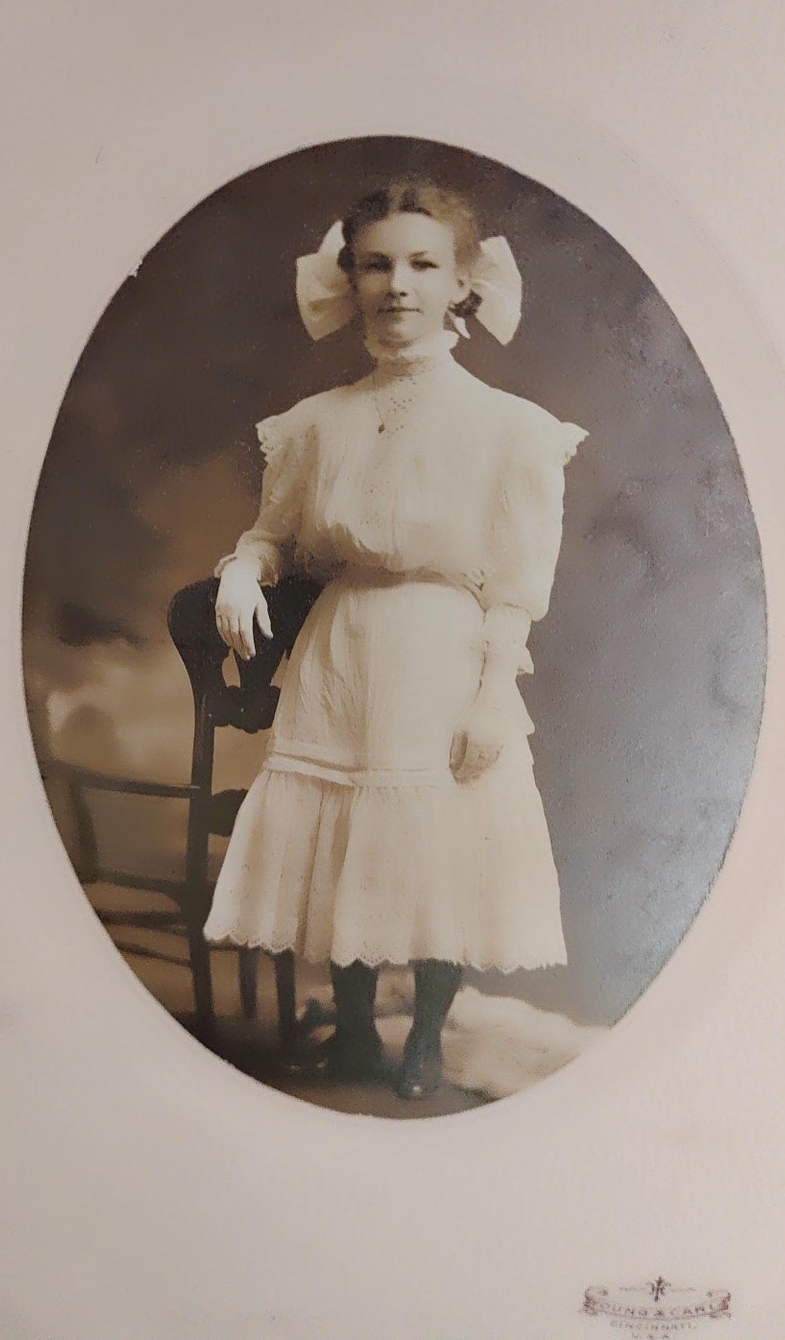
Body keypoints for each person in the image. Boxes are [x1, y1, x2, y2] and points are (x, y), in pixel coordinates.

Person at [205, 180, 586, 1101]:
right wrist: (241, 568)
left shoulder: (510, 430)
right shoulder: (315, 425)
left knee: (436, 845)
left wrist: (496, 689)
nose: (397, 286)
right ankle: (353, 1043)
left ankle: (423, 1037)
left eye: (423, 265)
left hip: (444, 654)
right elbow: (277, 535)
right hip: (342, 651)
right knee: (353, 847)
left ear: (462, 284)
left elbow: (516, 583)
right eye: (376, 264)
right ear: (352, 279)